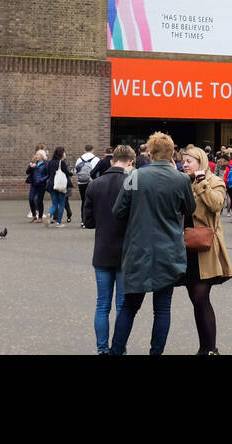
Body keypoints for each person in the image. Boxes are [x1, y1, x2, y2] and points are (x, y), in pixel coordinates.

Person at [109, 132, 194, 355]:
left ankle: (116, 351)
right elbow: (190, 209)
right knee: (163, 309)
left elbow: (118, 211)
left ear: (151, 153)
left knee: (129, 307)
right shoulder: (181, 179)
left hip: (138, 250)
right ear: (172, 153)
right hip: (169, 251)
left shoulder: (136, 176)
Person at [180, 146, 232, 354]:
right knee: (195, 297)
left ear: (200, 163)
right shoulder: (183, 182)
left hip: (205, 246)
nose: (184, 164)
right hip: (186, 244)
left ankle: (209, 348)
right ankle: (205, 347)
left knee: (201, 296)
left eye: (189, 161)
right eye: (183, 161)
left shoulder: (214, 182)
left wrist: (201, 183)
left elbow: (216, 205)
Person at [83, 144, 133, 354]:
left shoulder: (95, 184)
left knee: (102, 305)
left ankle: (102, 349)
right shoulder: (133, 182)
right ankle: (118, 348)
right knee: (122, 305)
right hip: (126, 253)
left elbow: (88, 221)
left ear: (113, 161)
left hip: (102, 251)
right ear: (130, 162)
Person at [46, 146, 74, 227]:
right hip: (60, 185)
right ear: (62, 153)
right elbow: (67, 173)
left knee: (54, 204)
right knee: (61, 203)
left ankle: (49, 214)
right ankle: (59, 222)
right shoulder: (61, 162)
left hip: (51, 185)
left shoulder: (50, 162)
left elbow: (48, 173)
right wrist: (72, 173)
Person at [74, 145, 99, 225]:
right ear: (92, 150)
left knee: (84, 201)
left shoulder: (79, 159)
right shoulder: (96, 159)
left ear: (84, 150)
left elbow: (75, 171)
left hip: (81, 182)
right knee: (93, 201)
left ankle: (83, 220)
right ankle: (91, 220)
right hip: (92, 182)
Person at [25, 149, 49, 223]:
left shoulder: (46, 164)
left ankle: (40, 217)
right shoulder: (34, 163)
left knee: (39, 201)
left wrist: (42, 179)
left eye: (38, 155)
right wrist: (30, 167)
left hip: (42, 185)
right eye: (36, 155)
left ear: (42, 156)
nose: (36, 156)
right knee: (31, 199)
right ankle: (34, 215)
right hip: (34, 184)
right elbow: (27, 172)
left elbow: (48, 175)